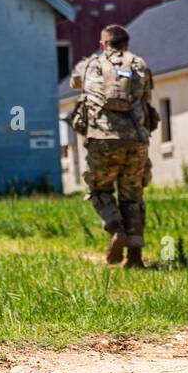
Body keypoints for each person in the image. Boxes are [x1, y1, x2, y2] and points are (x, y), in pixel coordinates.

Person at [69, 24, 156, 268]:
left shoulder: (89, 65)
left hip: (103, 139)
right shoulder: (139, 65)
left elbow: (75, 84)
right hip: (136, 141)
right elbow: (147, 101)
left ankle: (116, 229)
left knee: (99, 190)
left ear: (102, 44)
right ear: (127, 44)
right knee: (133, 196)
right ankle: (135, 258)